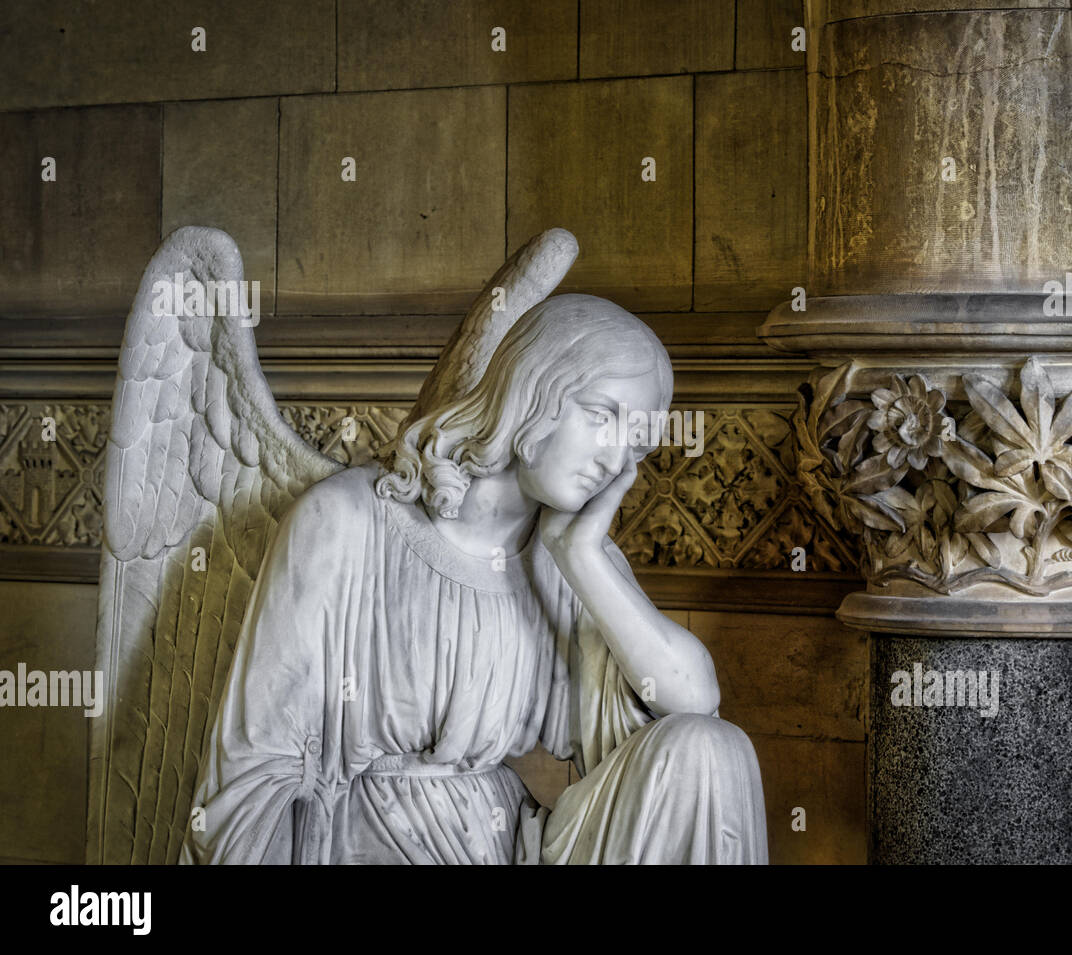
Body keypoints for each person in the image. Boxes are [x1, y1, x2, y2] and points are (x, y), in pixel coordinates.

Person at [181, 293, 768, 864]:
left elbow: (695, 700)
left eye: (633, 442)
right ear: (532, 389)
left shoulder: (566, 560)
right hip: (364, 838)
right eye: (600, 416)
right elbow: (255, 768)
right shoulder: (349, 520)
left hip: (499, 838)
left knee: (711, 750)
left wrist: (582, 554)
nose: (614, 461)